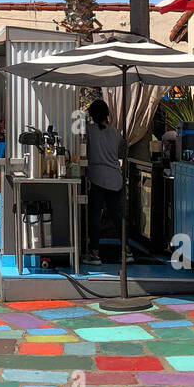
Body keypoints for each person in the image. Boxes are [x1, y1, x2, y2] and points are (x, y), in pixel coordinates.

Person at [85, 98, 126, 267]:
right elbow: (121, 154)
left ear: (92, 116)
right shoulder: (116, 133)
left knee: (95, 216)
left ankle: (95, 253)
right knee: (118, 217)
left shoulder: (89, 131)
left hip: (97, 179)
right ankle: (127, 250)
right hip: (116, 179)